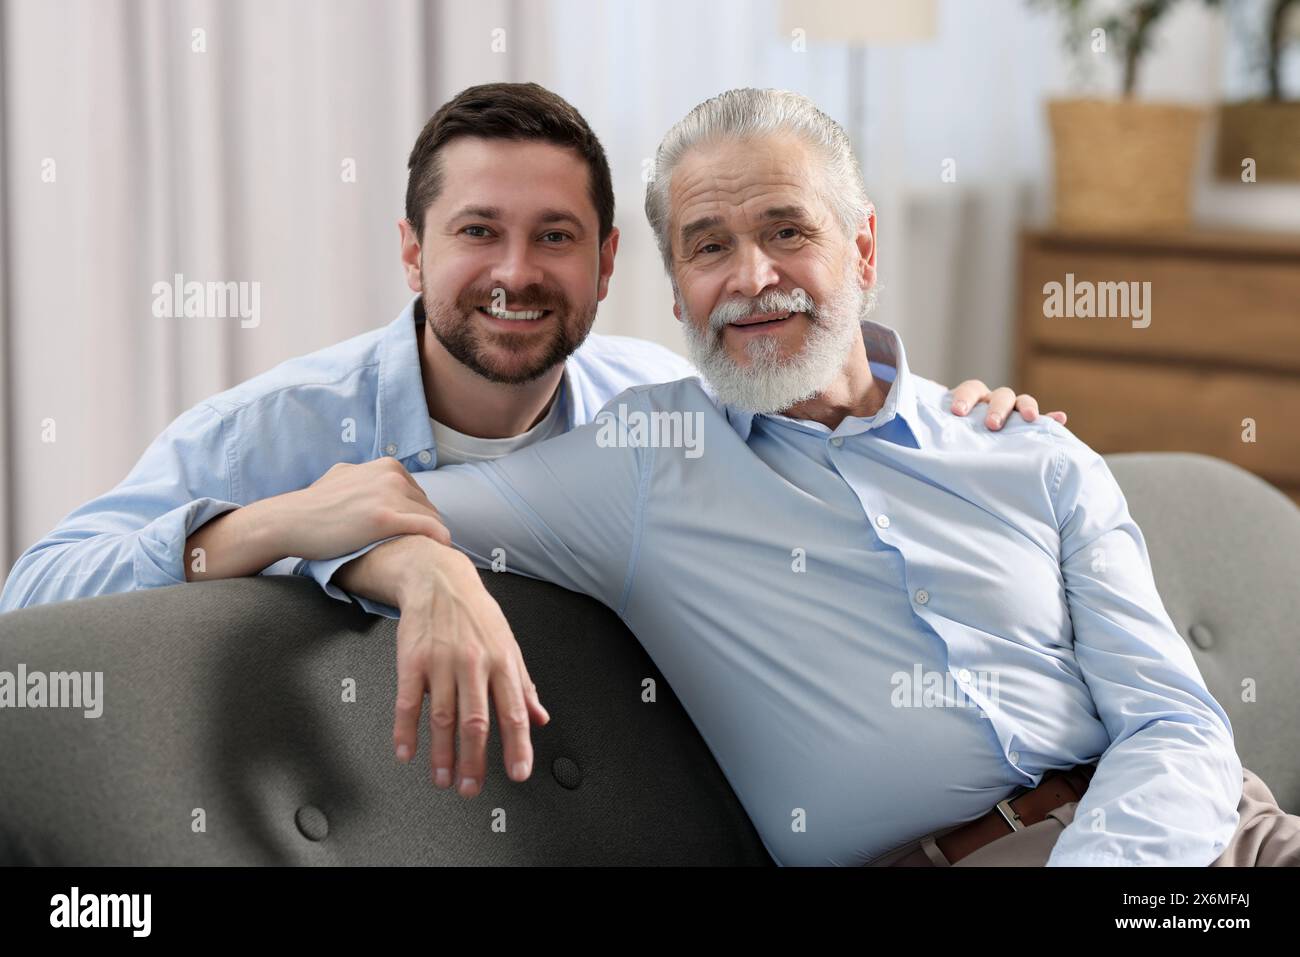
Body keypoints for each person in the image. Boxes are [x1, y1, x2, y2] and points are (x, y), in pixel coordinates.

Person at [302, 87, 1300, 867]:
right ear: (677, 289)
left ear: (860, 244)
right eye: (708, 247)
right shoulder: (641, 466)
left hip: (1208, 835)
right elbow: (352, 508)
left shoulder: (1028, 452)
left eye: (787, 229)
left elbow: (1173, 724)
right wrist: (418, 571)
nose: (750, 276)